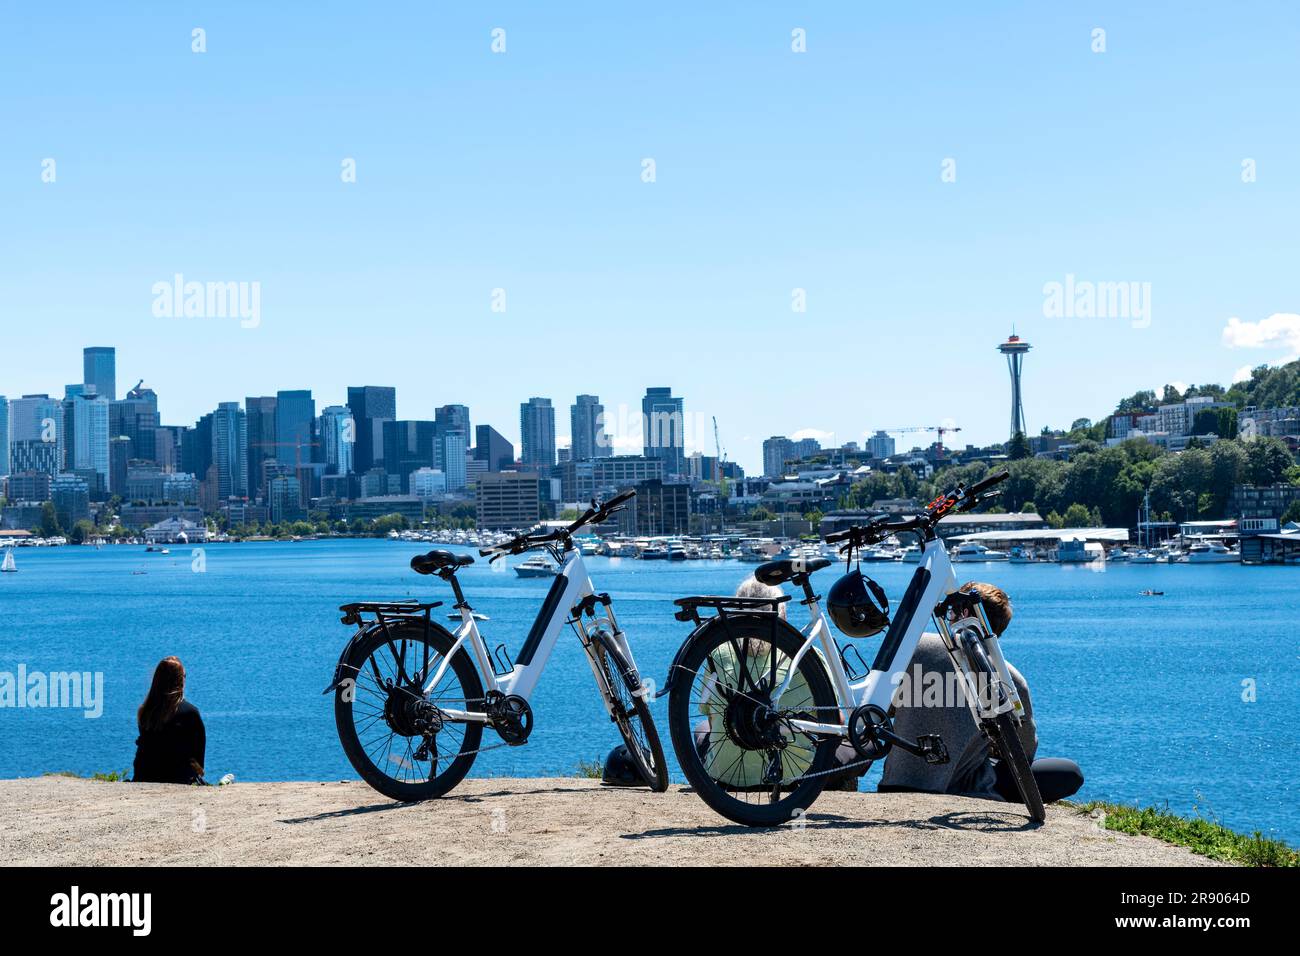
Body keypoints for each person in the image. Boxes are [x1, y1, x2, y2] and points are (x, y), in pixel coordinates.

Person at [878, 582, 1083, 804]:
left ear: (961, 612)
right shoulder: (1010, 679)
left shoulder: (914, 648)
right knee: (1069, 772)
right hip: (961, 790)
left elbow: (883, 709)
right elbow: (1023, 751)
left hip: (896, 784)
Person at [132, 656, 208, 785]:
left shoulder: (144, 712)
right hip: (177, 777)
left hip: (144, 775)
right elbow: (198, 759)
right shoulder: (190, 712)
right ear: (180, 680)